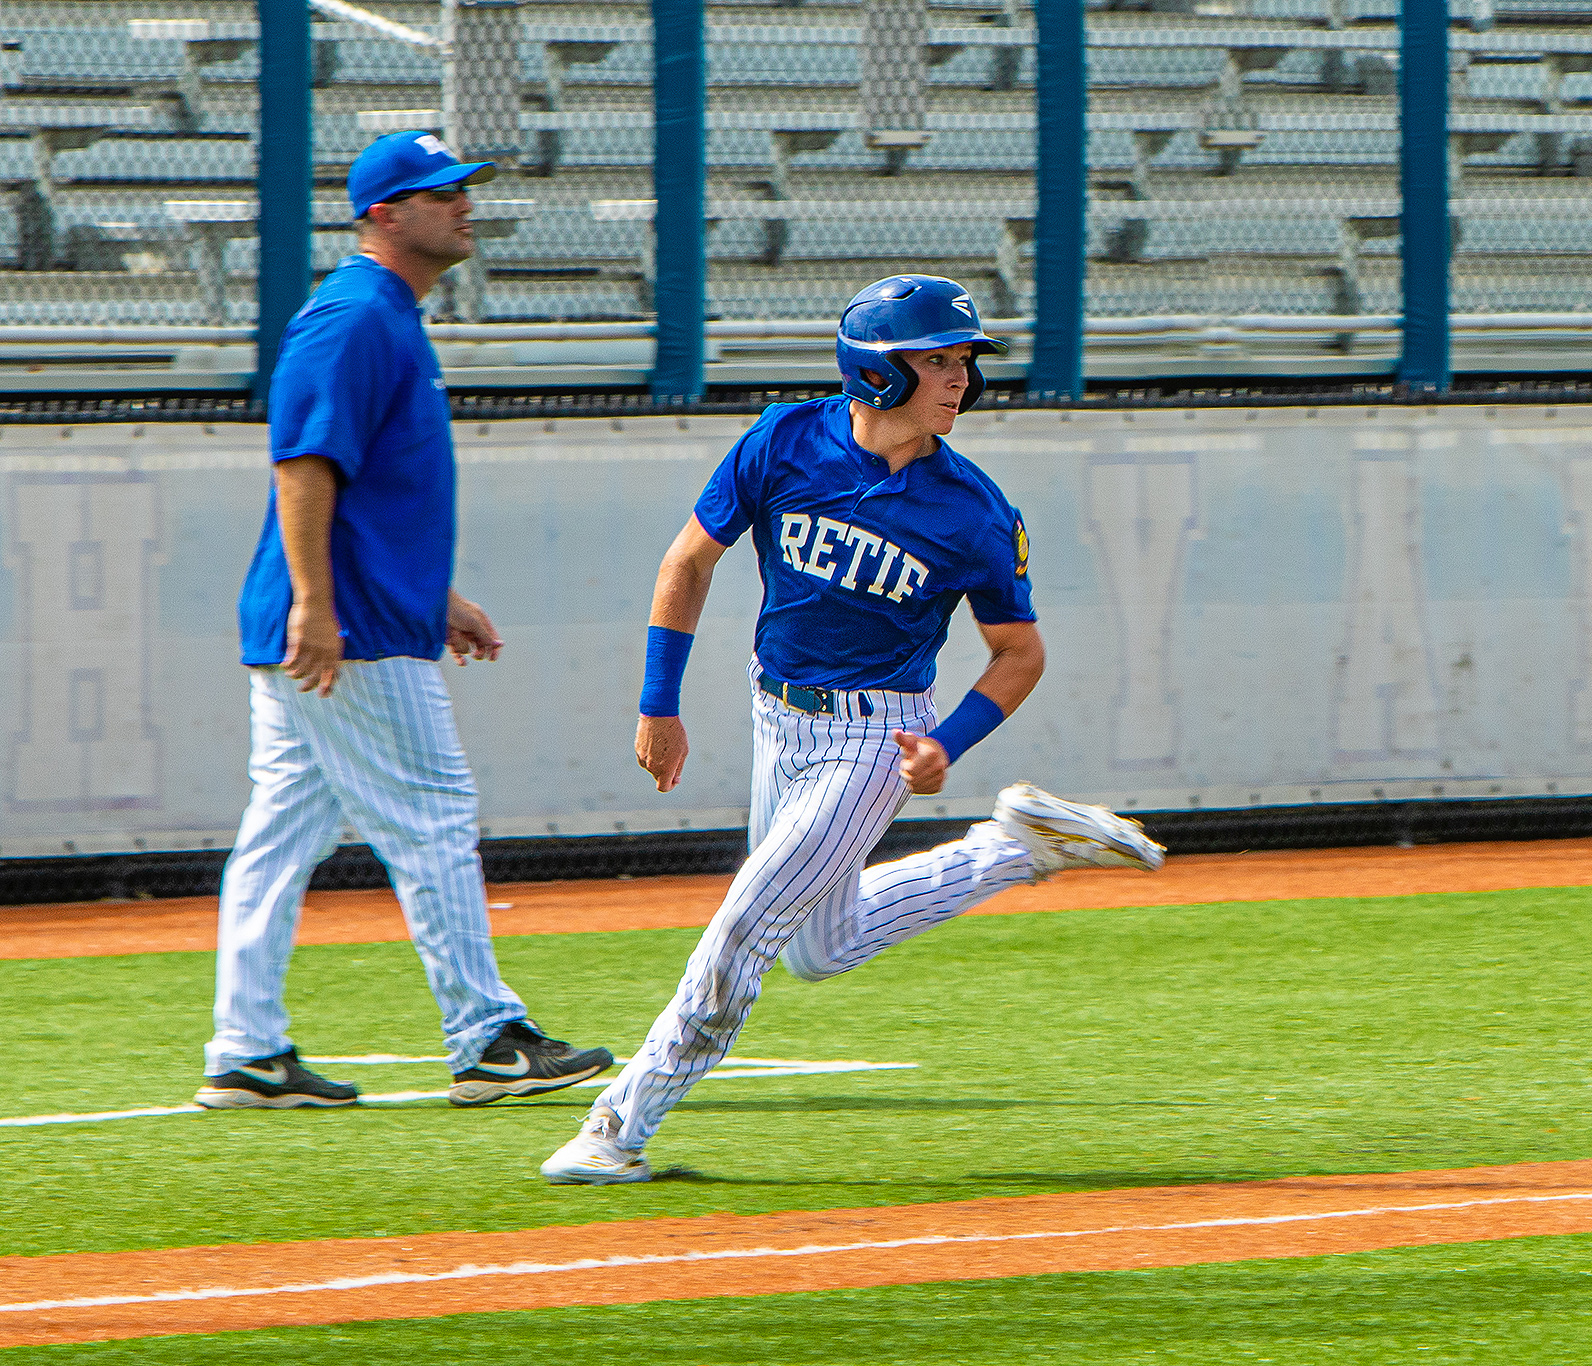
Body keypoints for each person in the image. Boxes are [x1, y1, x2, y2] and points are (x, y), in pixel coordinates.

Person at [540, 274, 1164, 1184]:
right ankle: (1016, 847)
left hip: (874, 738)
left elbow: (1018, 653)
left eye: (963, 363)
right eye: (937, 361)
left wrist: (949, 738)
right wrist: (658, 703)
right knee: (817, 949)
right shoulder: (784, 440)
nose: (960, 380)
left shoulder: (975, 511)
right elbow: (688, 563)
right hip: (775, 716)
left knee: (744, 929)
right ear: (875, 374)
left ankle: (619, 1128)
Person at [196, 131, 613, 1110]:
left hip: (367, 614)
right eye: (440, 192)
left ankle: (245, 1050)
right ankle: (488, 1038)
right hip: (353, 631)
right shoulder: (350, 319)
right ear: (383, 211)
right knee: (433, 815)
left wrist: (440, 597)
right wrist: (318, 604)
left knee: (279, 836)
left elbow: (373, 495)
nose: (464, 204)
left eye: (464, 188)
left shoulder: (384, 314)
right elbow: (303, 466)